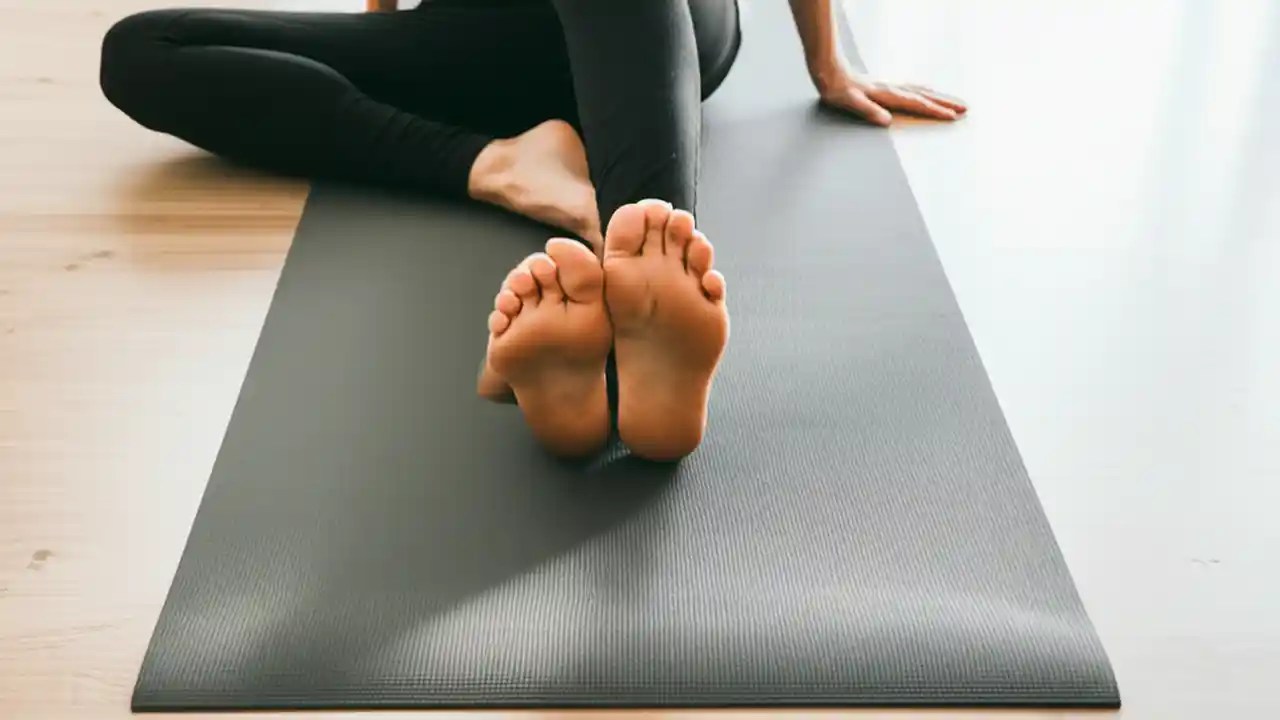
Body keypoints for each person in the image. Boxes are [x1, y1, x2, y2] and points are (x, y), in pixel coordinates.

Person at [99, 0, 965, 462]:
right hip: (477, 39)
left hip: (653, 23)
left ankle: (639, 326)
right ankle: (497, 164)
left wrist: (829, 62)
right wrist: (383, 46)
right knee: (142, 47)